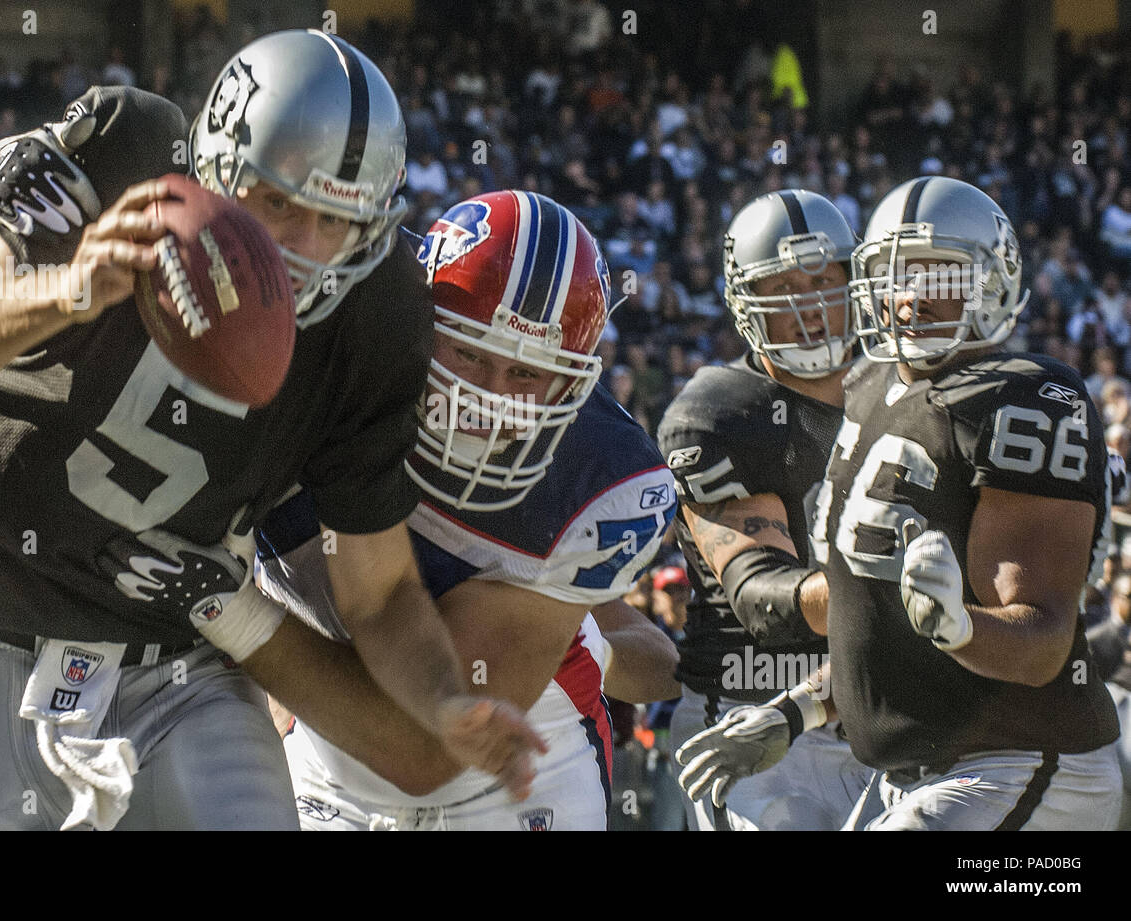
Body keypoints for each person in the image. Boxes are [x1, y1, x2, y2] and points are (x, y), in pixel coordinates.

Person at [0, 29, 539, 831]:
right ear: (211, 170)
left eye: (334, 220)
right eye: (276, 205)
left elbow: (381, 588)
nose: (300, 251)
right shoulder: (128, 156)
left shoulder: (380, 309)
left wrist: (443, 699)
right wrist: (67, 290)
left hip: (180, 668)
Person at [679, 177, 1124, 830]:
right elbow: (883, 636)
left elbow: (1041, 641)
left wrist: (960, 625)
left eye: (939, 278)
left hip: (1022, 760)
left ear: (992, 280)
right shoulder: (868, 389)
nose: (912, 297)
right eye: (893, 276)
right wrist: (795, 710)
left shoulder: (1027, 402)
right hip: (907, 775)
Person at [247, 191, 679, 830]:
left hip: (513, 776)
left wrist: (230, 616)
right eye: (469, 353)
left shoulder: (593, 475)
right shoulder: (333, 361)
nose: (489, 397)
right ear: (416, 323)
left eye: (528, 372)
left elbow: (423, 754)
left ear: (574, 380)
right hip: (328, 759)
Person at [660, 190, 870, 830]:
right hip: (754, 716)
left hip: (878, 711)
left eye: (825, 282)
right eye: (784, 290)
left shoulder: (896, 394)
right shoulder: (722, 413)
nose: (809, 308)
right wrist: (892, 596)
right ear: (747, 307)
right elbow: (765, 602)